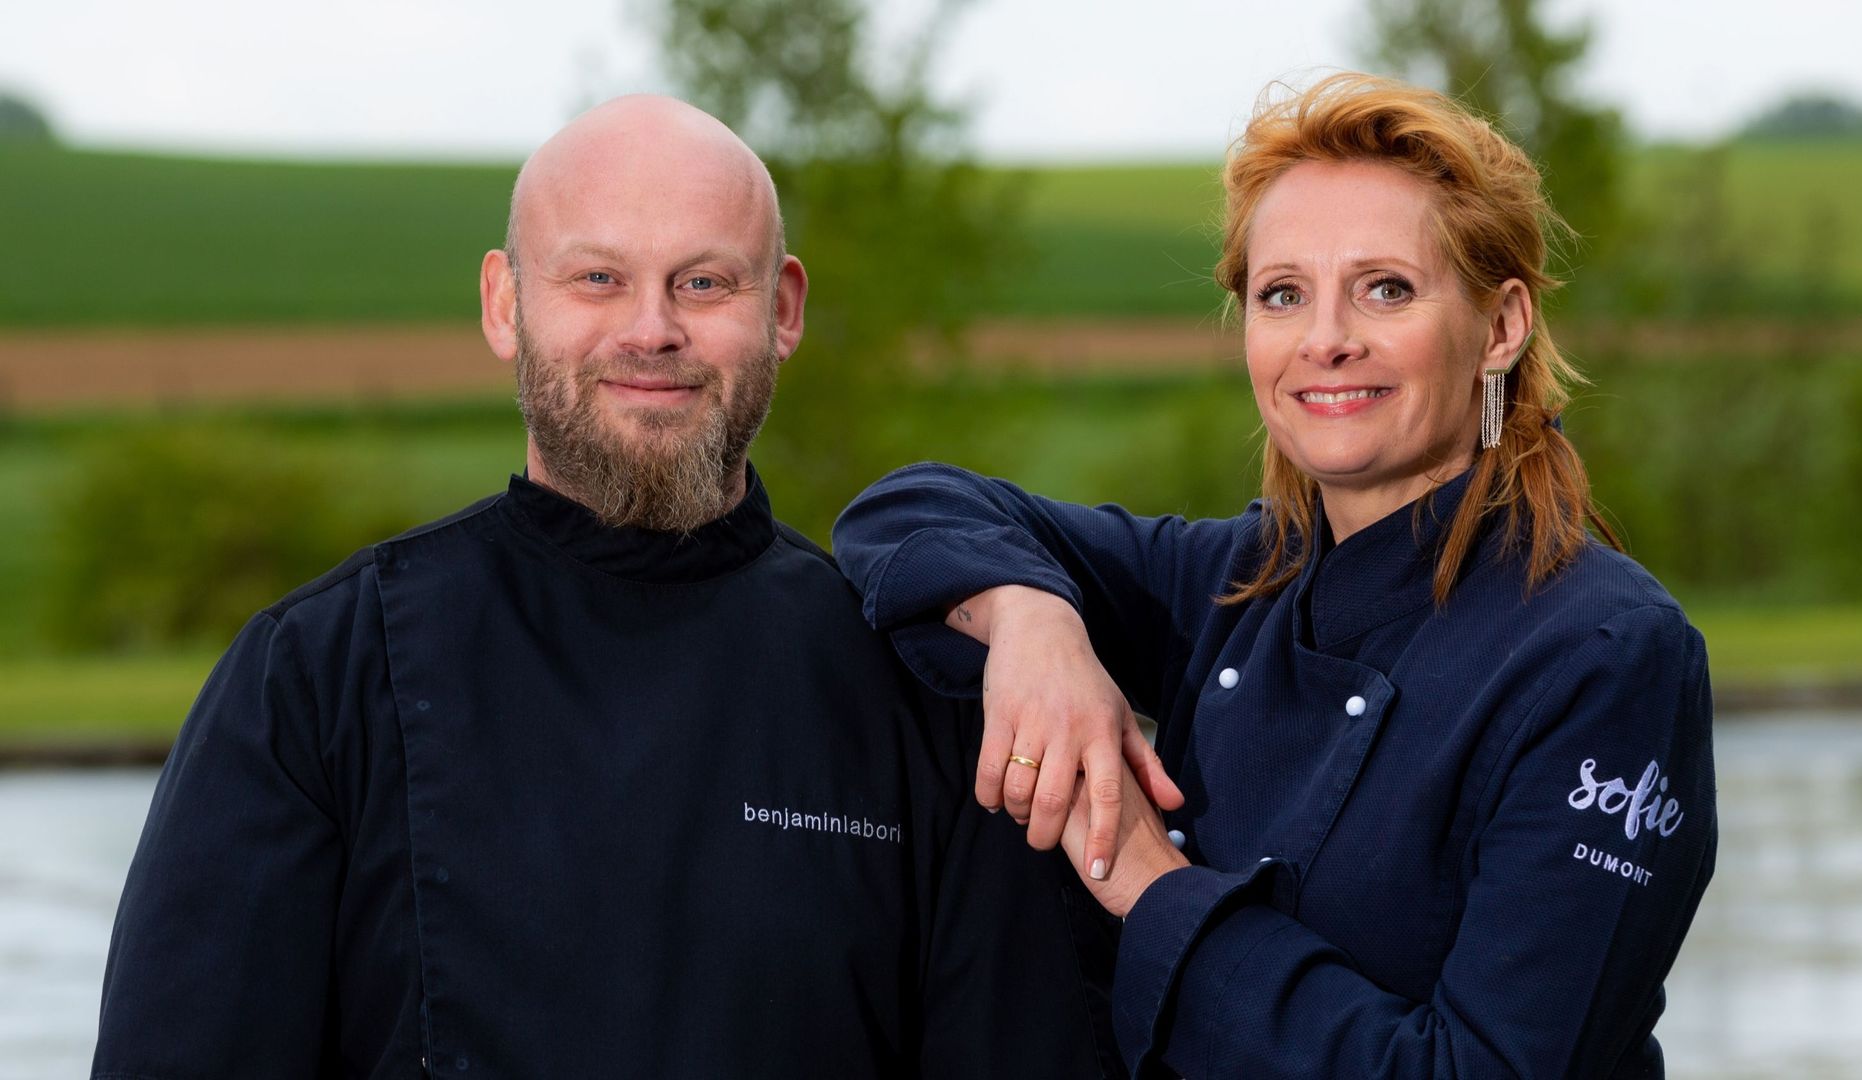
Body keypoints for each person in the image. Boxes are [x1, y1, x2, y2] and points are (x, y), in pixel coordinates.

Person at [92, 96, 1119, 1079]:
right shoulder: (313, 681)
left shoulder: (922, 698)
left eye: (705, 283)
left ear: (785, 310)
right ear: (505, 304)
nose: (652, 330)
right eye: (596, 279)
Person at [832, 73, 1716, 1078]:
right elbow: (905, 511)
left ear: (1501, 326)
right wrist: (1034, 623)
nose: (1326, 339)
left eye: (1386, 287)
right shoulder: (1239, 579)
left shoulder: (1603, 655)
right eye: (1283, 293)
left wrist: (1151, 884)